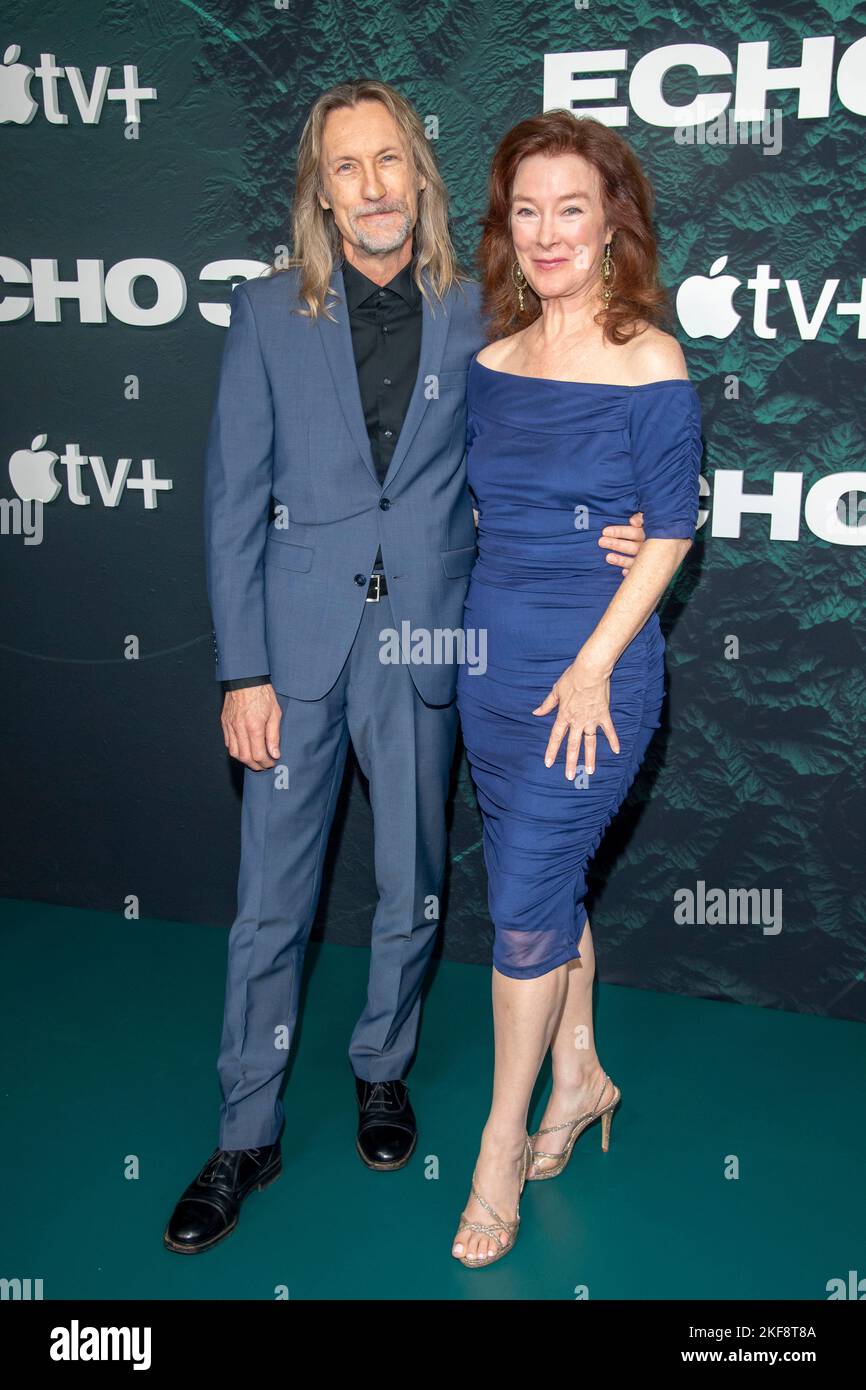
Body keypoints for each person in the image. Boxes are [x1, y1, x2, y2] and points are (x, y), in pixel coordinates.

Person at [163, 82, 647, 1255]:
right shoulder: (265, 312)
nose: (371, 187)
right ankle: (246, 1130)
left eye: (390, 162)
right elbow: (231, 504)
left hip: (433, 639)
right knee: (271, 904)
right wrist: (242, 671)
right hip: (294, 651)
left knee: (410, 880)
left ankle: (382, 1069)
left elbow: (558, 421)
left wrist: (616, 518)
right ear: (318, 190)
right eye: (345, 168)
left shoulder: (479, 310)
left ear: (419, 177)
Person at [451, 110, 703, 1268]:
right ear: (505, 229)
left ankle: (498, 1145)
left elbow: (671, 526)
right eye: (526, 209)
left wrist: (596, 657)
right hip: (490, 668)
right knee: (539, 887)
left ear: (610, 225)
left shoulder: (647, 356)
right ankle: (582, 1071)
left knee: (519, 913)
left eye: (571, 207)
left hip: (593, 678)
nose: (547, 230)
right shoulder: (491, 364)